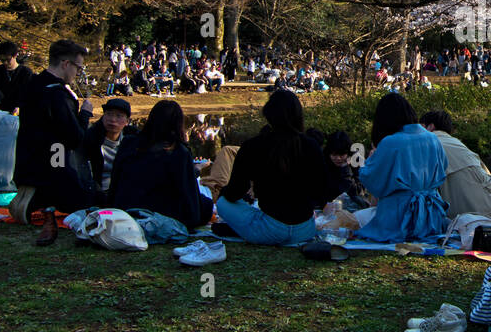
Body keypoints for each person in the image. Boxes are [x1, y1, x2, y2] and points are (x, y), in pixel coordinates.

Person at [215, 91, 336, 245]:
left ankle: (244, 230)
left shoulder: (254, 146)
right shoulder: (311, 145)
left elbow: (235, 191)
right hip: (305, 230)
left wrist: (223, 194)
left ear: (268, 115)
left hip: (270, 230)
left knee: (222, 203)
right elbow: (322, 190)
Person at [12, 39, 97, 244]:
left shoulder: (33, 84)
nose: (78, 72)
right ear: (66, 64)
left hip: (27, 158)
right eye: (78, 67)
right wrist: (84, 114)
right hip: (54, 156)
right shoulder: (58, 94)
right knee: (88, 201)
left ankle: (38, 197)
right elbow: (73, 137)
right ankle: (42, 201)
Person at [357, 93, 448, 243]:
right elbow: (443, 169)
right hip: (431, 215)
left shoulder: (391, 142)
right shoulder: (432, 138)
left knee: (359, 218)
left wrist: (370, 158)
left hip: (398, 217)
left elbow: (371, 179)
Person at [110, 100, 212, 228]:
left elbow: (115, 180)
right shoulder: (177, 151)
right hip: (160, 211)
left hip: (124, 207)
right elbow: (188, 196)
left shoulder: (129, 142)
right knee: (206, 204)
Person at [419, 109, 491, 218]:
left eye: (421, 127)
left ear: (431, 127)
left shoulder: (425, 144)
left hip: (465, 222)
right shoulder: (460, 145)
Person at [79, 97, 138, 202]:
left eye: (119, 116)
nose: (113, 119)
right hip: (97, 193)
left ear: (127, 121)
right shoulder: (91, 138)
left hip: (124, 192)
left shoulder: (133, 140)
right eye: (109, 114)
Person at [0, 40, 34, 115]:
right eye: (2, 60)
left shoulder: (26, 73)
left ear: (15, 55)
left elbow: (30, 96)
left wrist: (20, 107)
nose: (5, 63)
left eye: (8, 60)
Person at [324, 130, 369, 209]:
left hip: (353, 206)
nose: (338, 158)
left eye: (341, 154)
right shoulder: (324, 160)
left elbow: (358, 191)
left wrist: (345, 169)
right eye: (334, 154)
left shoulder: (356, 161)